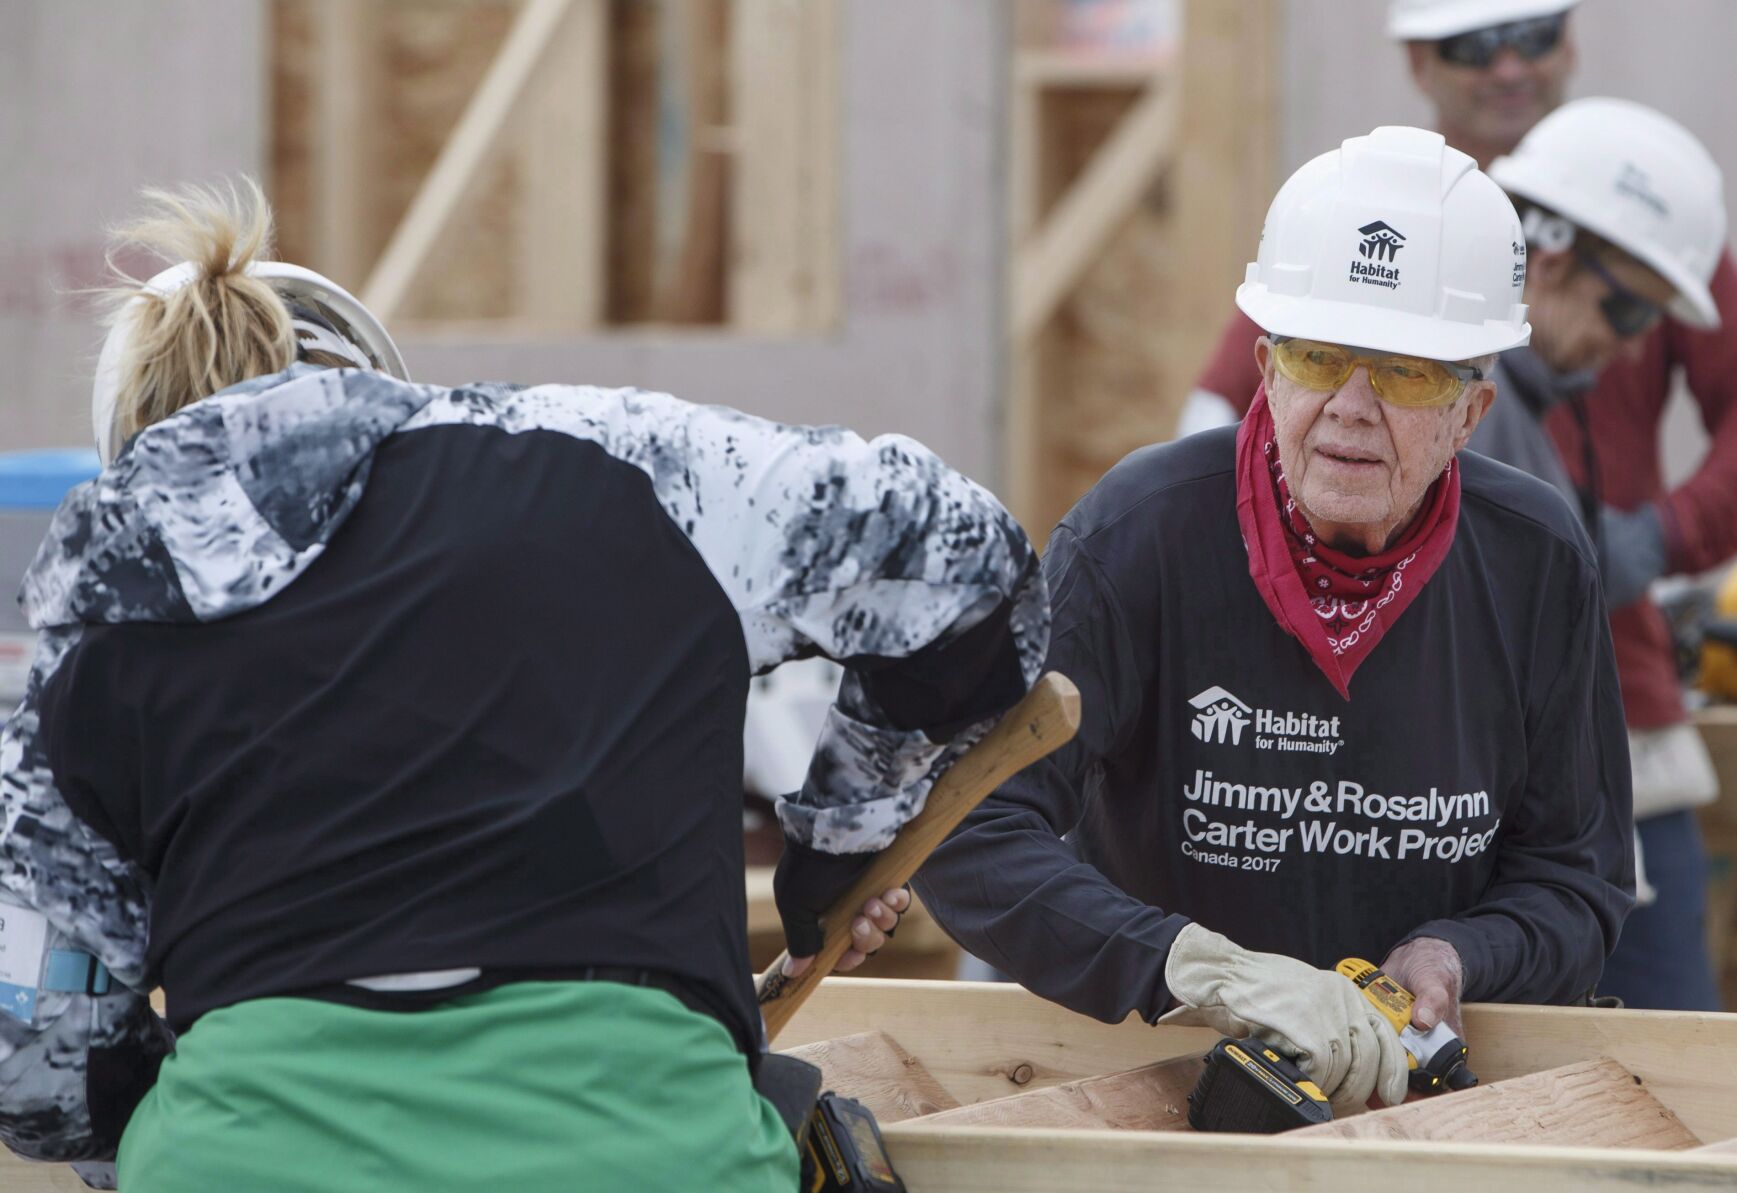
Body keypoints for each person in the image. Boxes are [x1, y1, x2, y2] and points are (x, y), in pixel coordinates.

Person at [0, 180, 1048, 1191]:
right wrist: (840, 844)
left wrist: (184, 1115)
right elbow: (963, 563)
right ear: (369, 382)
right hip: (643, 1151)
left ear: (145, 453)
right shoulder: (613, 462)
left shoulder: (105, 613)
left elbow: (36, 1063)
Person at [914, 126, 1634, 1114]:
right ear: (1265, 365)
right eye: (1317, 355)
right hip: (1156, 1092)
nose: (1349, 405)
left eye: (1407, 373)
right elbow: (968, 827)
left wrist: (1459, 952)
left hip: (1421, 1109)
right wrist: (1190, 967)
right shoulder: (1140, 536)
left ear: (1472, 411)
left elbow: (1577, 877)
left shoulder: (1534, 560)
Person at [1182, 0, 1737, 1013]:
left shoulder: (1617, 242)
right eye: (1478, 43)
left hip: (1615, 706)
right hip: (1431, 756)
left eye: (1533, 36)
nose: (1509, 65)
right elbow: (1222, 412)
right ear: (1421, 61)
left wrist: (1664, 535)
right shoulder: (1372, 229)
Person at [1468, 97, 1728, 1010]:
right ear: (1546, 254)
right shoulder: (1472, 416)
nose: (1630, 343)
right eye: (1625, 308)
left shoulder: (1524, 409)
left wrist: (1664, 534)